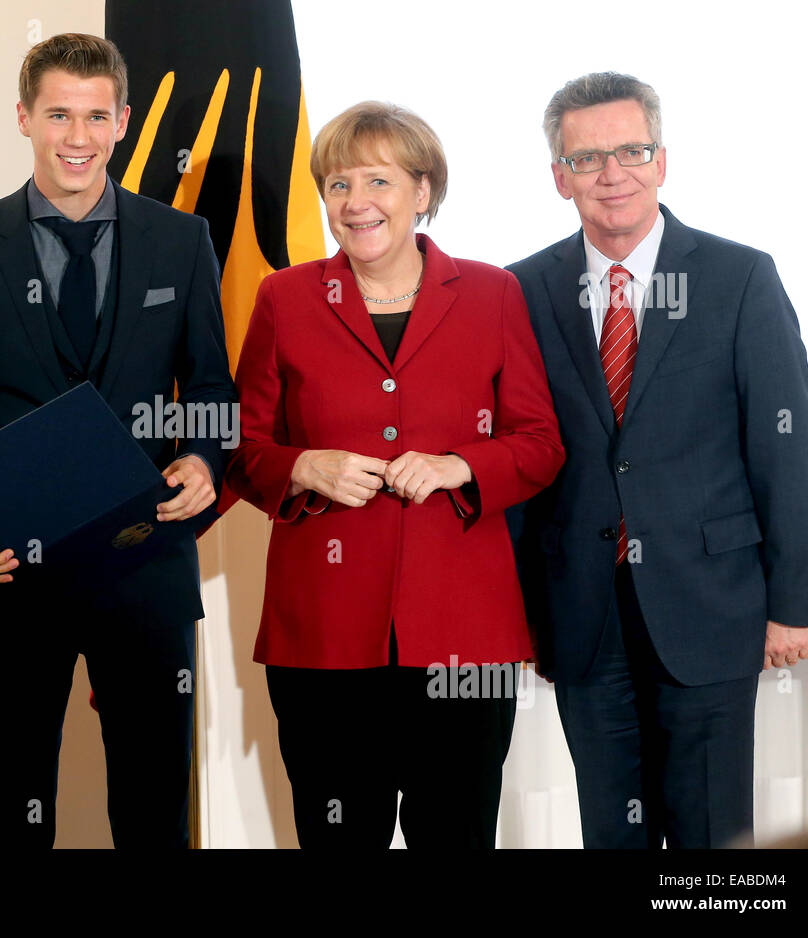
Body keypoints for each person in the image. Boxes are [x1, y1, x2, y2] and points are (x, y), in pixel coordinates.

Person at [0, 33, 235, 848]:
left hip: (147, 562)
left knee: (156, 815)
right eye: (58, 114)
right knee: (12, 818)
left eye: (95, 115)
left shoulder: (181, 240)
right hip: (11, 575)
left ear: (123, 120)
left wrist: (202, 457)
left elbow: (212, 392)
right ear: (24, 117)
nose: (77, 137)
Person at [224, 101, 564, 848]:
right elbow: (243, 449)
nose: (356, 203)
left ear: (423, 189)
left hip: (462, 636)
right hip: (323, 639)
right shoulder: (284, 297)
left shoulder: (491, 294)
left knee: (457, 835)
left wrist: (458, 465)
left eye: (377, 180)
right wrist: (302, 464)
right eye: (338, 184)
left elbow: (540, 443)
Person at [507, 72, 808, 848]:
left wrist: (792, 601)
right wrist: (518, 615)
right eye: (587, 159)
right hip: (581, 614)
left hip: (710, 603)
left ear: (662, 160)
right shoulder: (520, 289)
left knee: (711, 836)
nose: (611, 173)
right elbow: (519, 460)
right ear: (559, 177)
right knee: (608, 831)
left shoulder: (739, 277)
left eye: (630, 150)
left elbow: (788, 450)